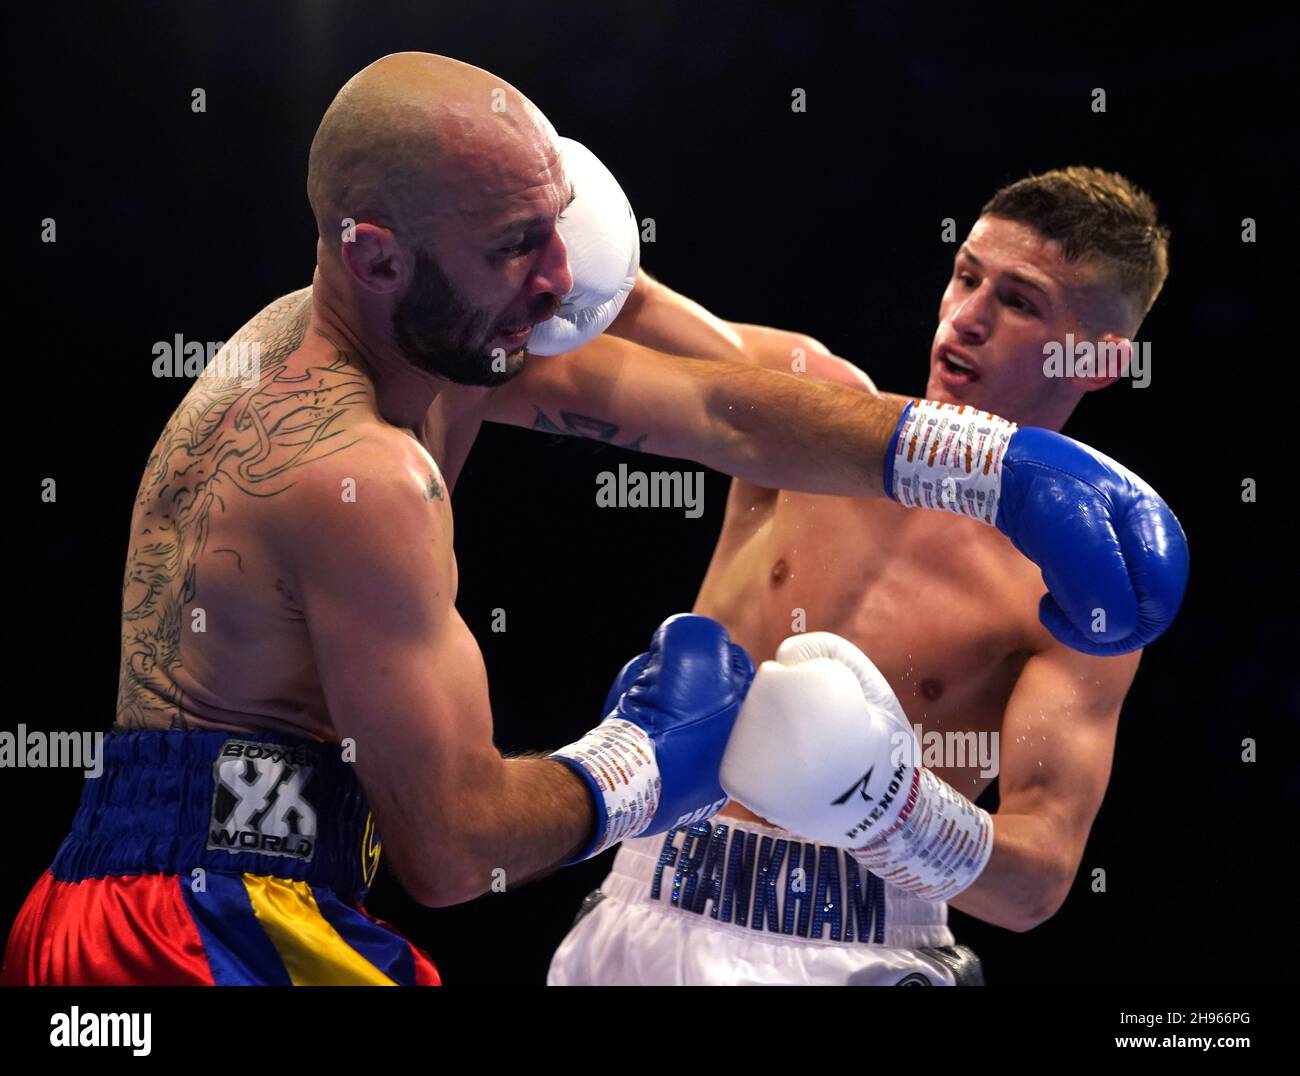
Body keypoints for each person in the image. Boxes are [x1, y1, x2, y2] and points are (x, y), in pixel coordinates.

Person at [2, 46, 1183, 985]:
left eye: (559, 240)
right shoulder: (356, 462)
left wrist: (994, 472)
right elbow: (456, 850)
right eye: (520, 247)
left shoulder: (397, 347)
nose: (564, 287)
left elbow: (716, 405)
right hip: (212, 921)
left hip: (185, 890)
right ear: (379, 258)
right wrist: (641, 762)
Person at [548, 167, 1184, 986]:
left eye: (1020, 302)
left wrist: (895, 808)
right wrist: (537, 203)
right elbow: (609, 304)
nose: (967, 318)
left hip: (854, 948)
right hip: (651, 895)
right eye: (965, 276)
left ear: (1099, 361)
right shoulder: (804, 410)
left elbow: (1037, 880)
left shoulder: (1071, 589)